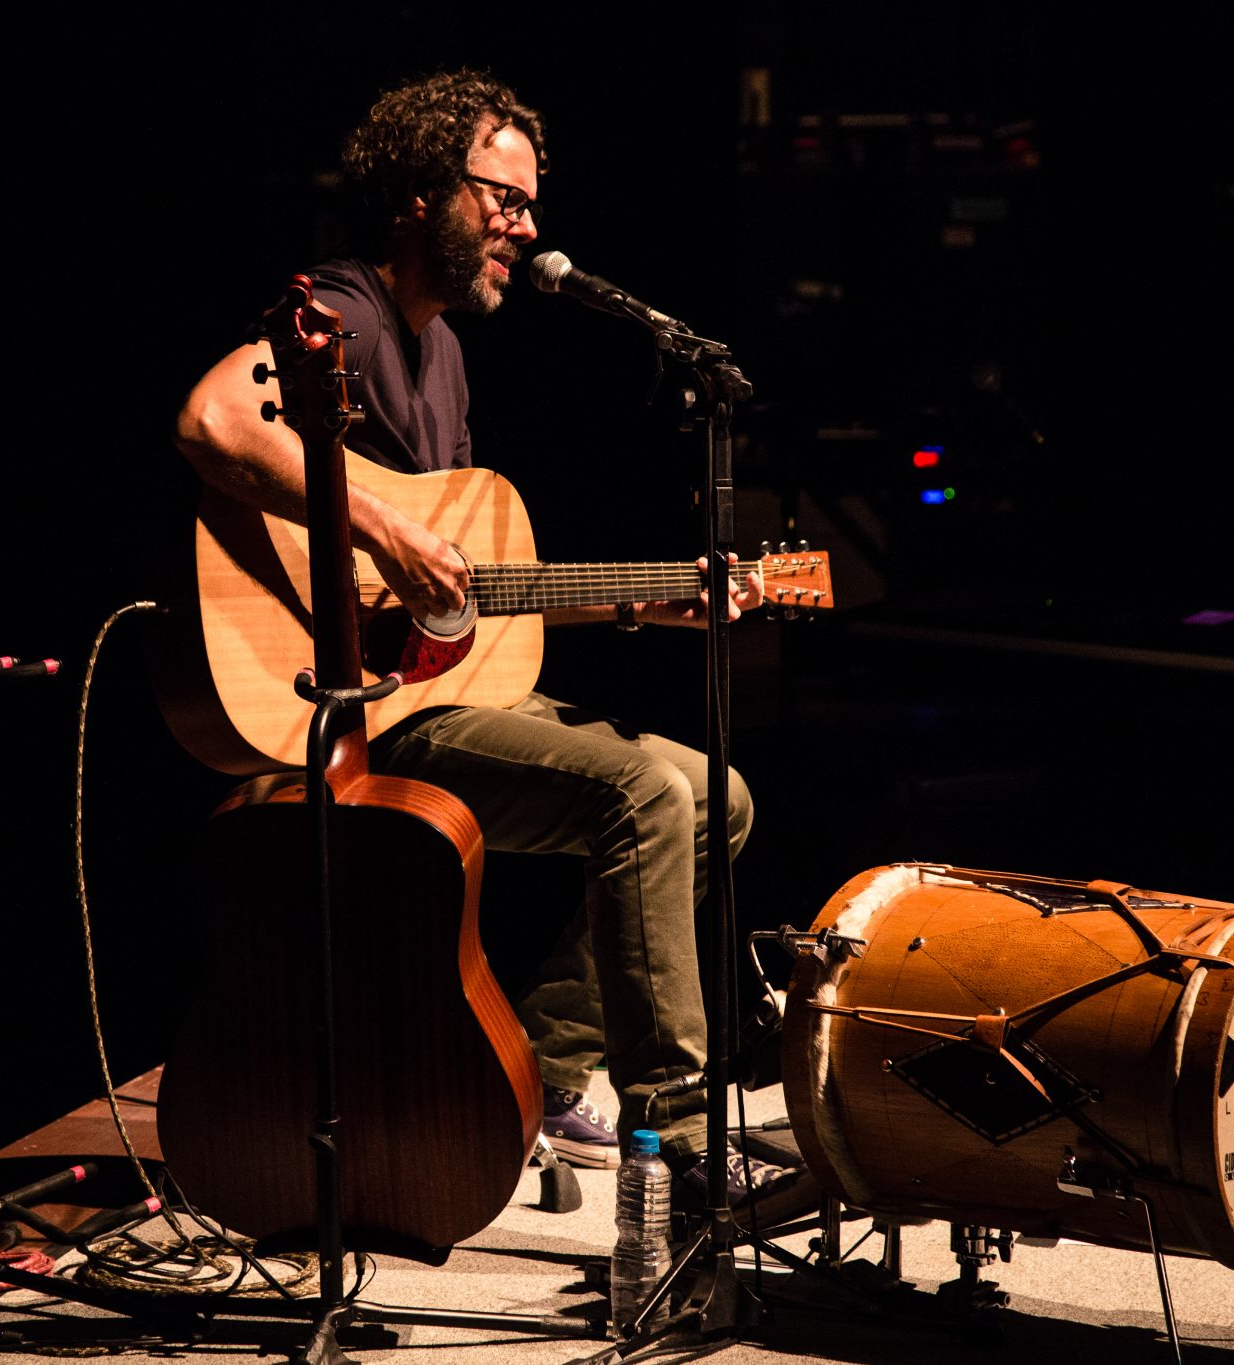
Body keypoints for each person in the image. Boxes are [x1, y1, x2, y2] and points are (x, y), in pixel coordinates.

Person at [173, 69, 790, 1207]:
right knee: (642, 795)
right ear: (418, 195)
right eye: (499, 199)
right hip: (342, 707)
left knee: (718, 796)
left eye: (527, 204)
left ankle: (552, 1073)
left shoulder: (443, 350)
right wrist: (386, 535)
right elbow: (213, 422)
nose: (525, 225)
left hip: (433, 694)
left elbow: (465, 593)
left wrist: (637, 602)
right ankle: (681, 1125)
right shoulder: (346, 309)